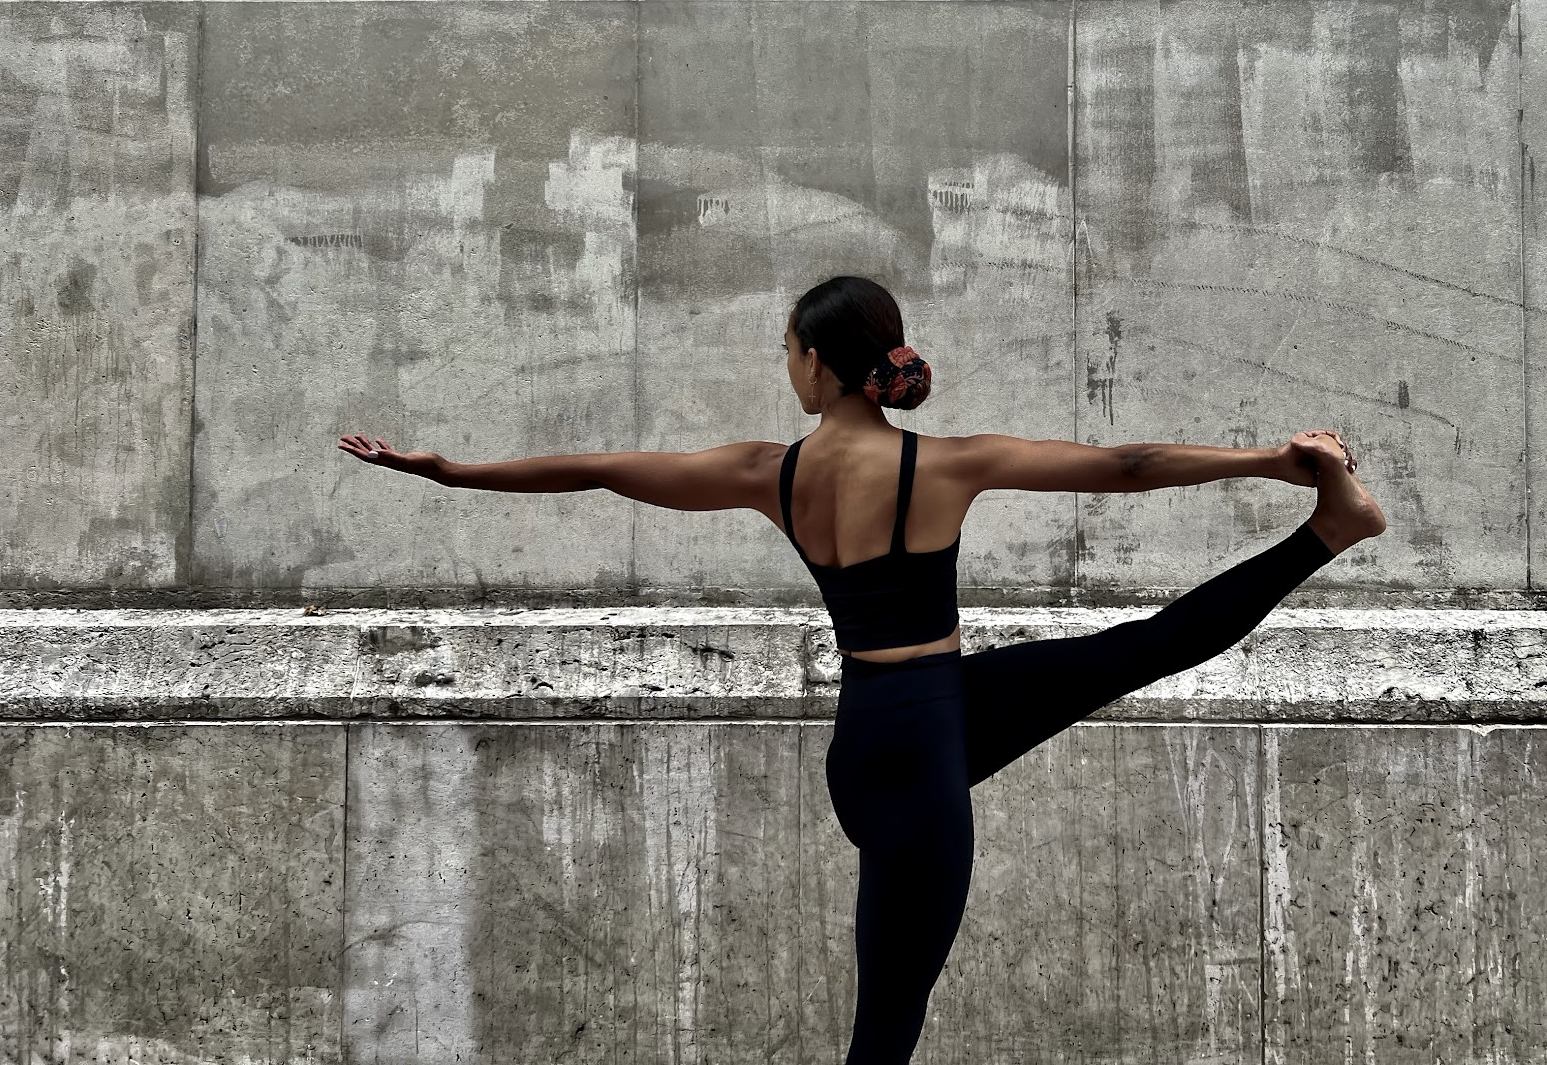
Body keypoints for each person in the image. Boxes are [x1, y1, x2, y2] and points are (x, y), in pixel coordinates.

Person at [339, 273, 1386, 1063]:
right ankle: (1321, 526)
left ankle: (1329, 531)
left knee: (1138, 653)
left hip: (891, 735)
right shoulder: (946, 460)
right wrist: (1265, 459)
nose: (784, 368)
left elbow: (597, 472)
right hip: (925, 750)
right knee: (883, 1034)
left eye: (786, 352)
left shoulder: (768, 474)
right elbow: (1124, 468)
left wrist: (447, 470)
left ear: (814, 362)